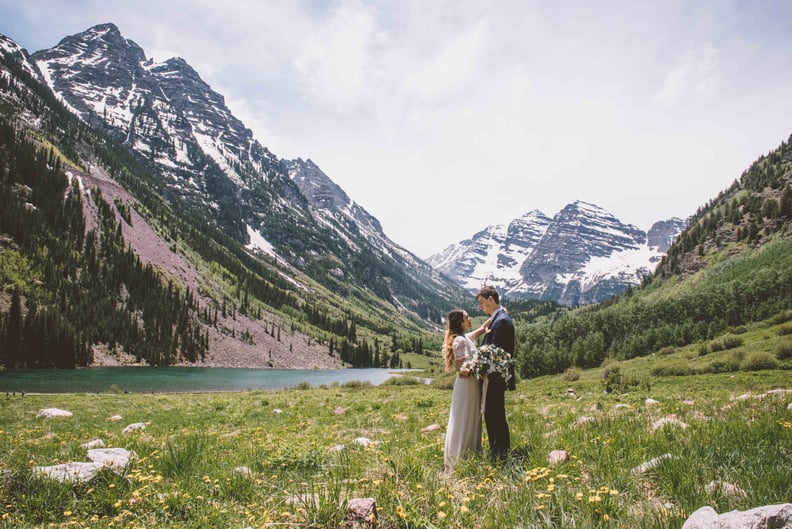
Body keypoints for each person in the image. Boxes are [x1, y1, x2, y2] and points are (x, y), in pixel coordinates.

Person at [442, 309, 491, 472]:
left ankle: (469, 455)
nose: (470, 319)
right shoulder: (459, 342)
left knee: (472, 417)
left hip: (472, 385)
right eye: (467, 317)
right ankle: (457, 460)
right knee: (463, 418)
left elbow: (481, 329)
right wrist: (481, 369)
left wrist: (495, 316)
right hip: (465, 384)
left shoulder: (465, 338)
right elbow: (461, 369)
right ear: (460, 322)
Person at [477, 285, 515, 461]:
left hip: (495, 377)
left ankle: (499, 452)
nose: (480, 307)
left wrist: (478, 364)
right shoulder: (499, 317)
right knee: (494, 412)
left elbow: (495, 352)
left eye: (482, 302)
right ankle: (499, 450)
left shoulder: (500, 321)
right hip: (495, 376)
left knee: (494, 414)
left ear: (490, 299)